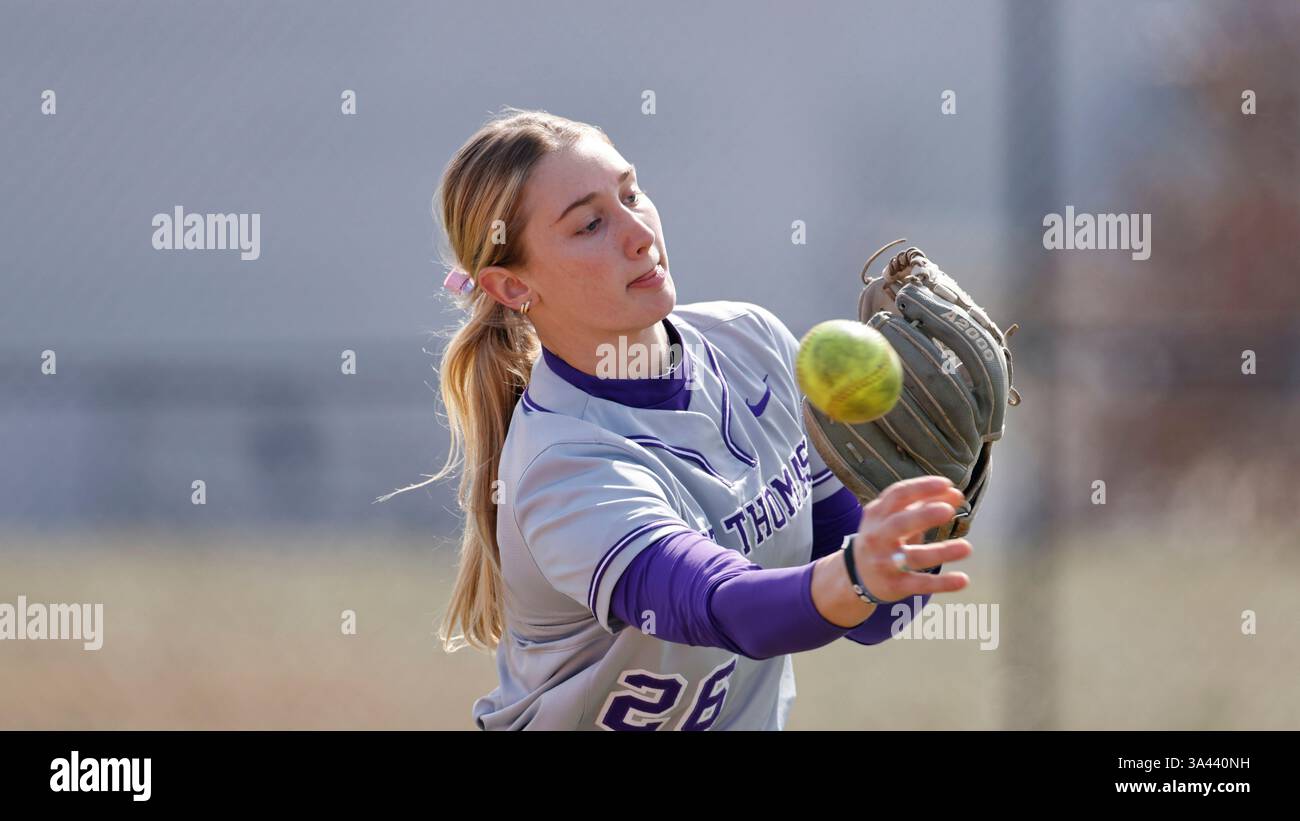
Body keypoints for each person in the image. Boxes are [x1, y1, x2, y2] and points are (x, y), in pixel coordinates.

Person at [389, 107, 973, 730]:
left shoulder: (754, 345)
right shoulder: (561, 464)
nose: (637, 231)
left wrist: (926, 510)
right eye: (589, 224)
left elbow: (874, 615)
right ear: (510, 288)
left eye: (631, 193)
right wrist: (854, 574)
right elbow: (719, 608)